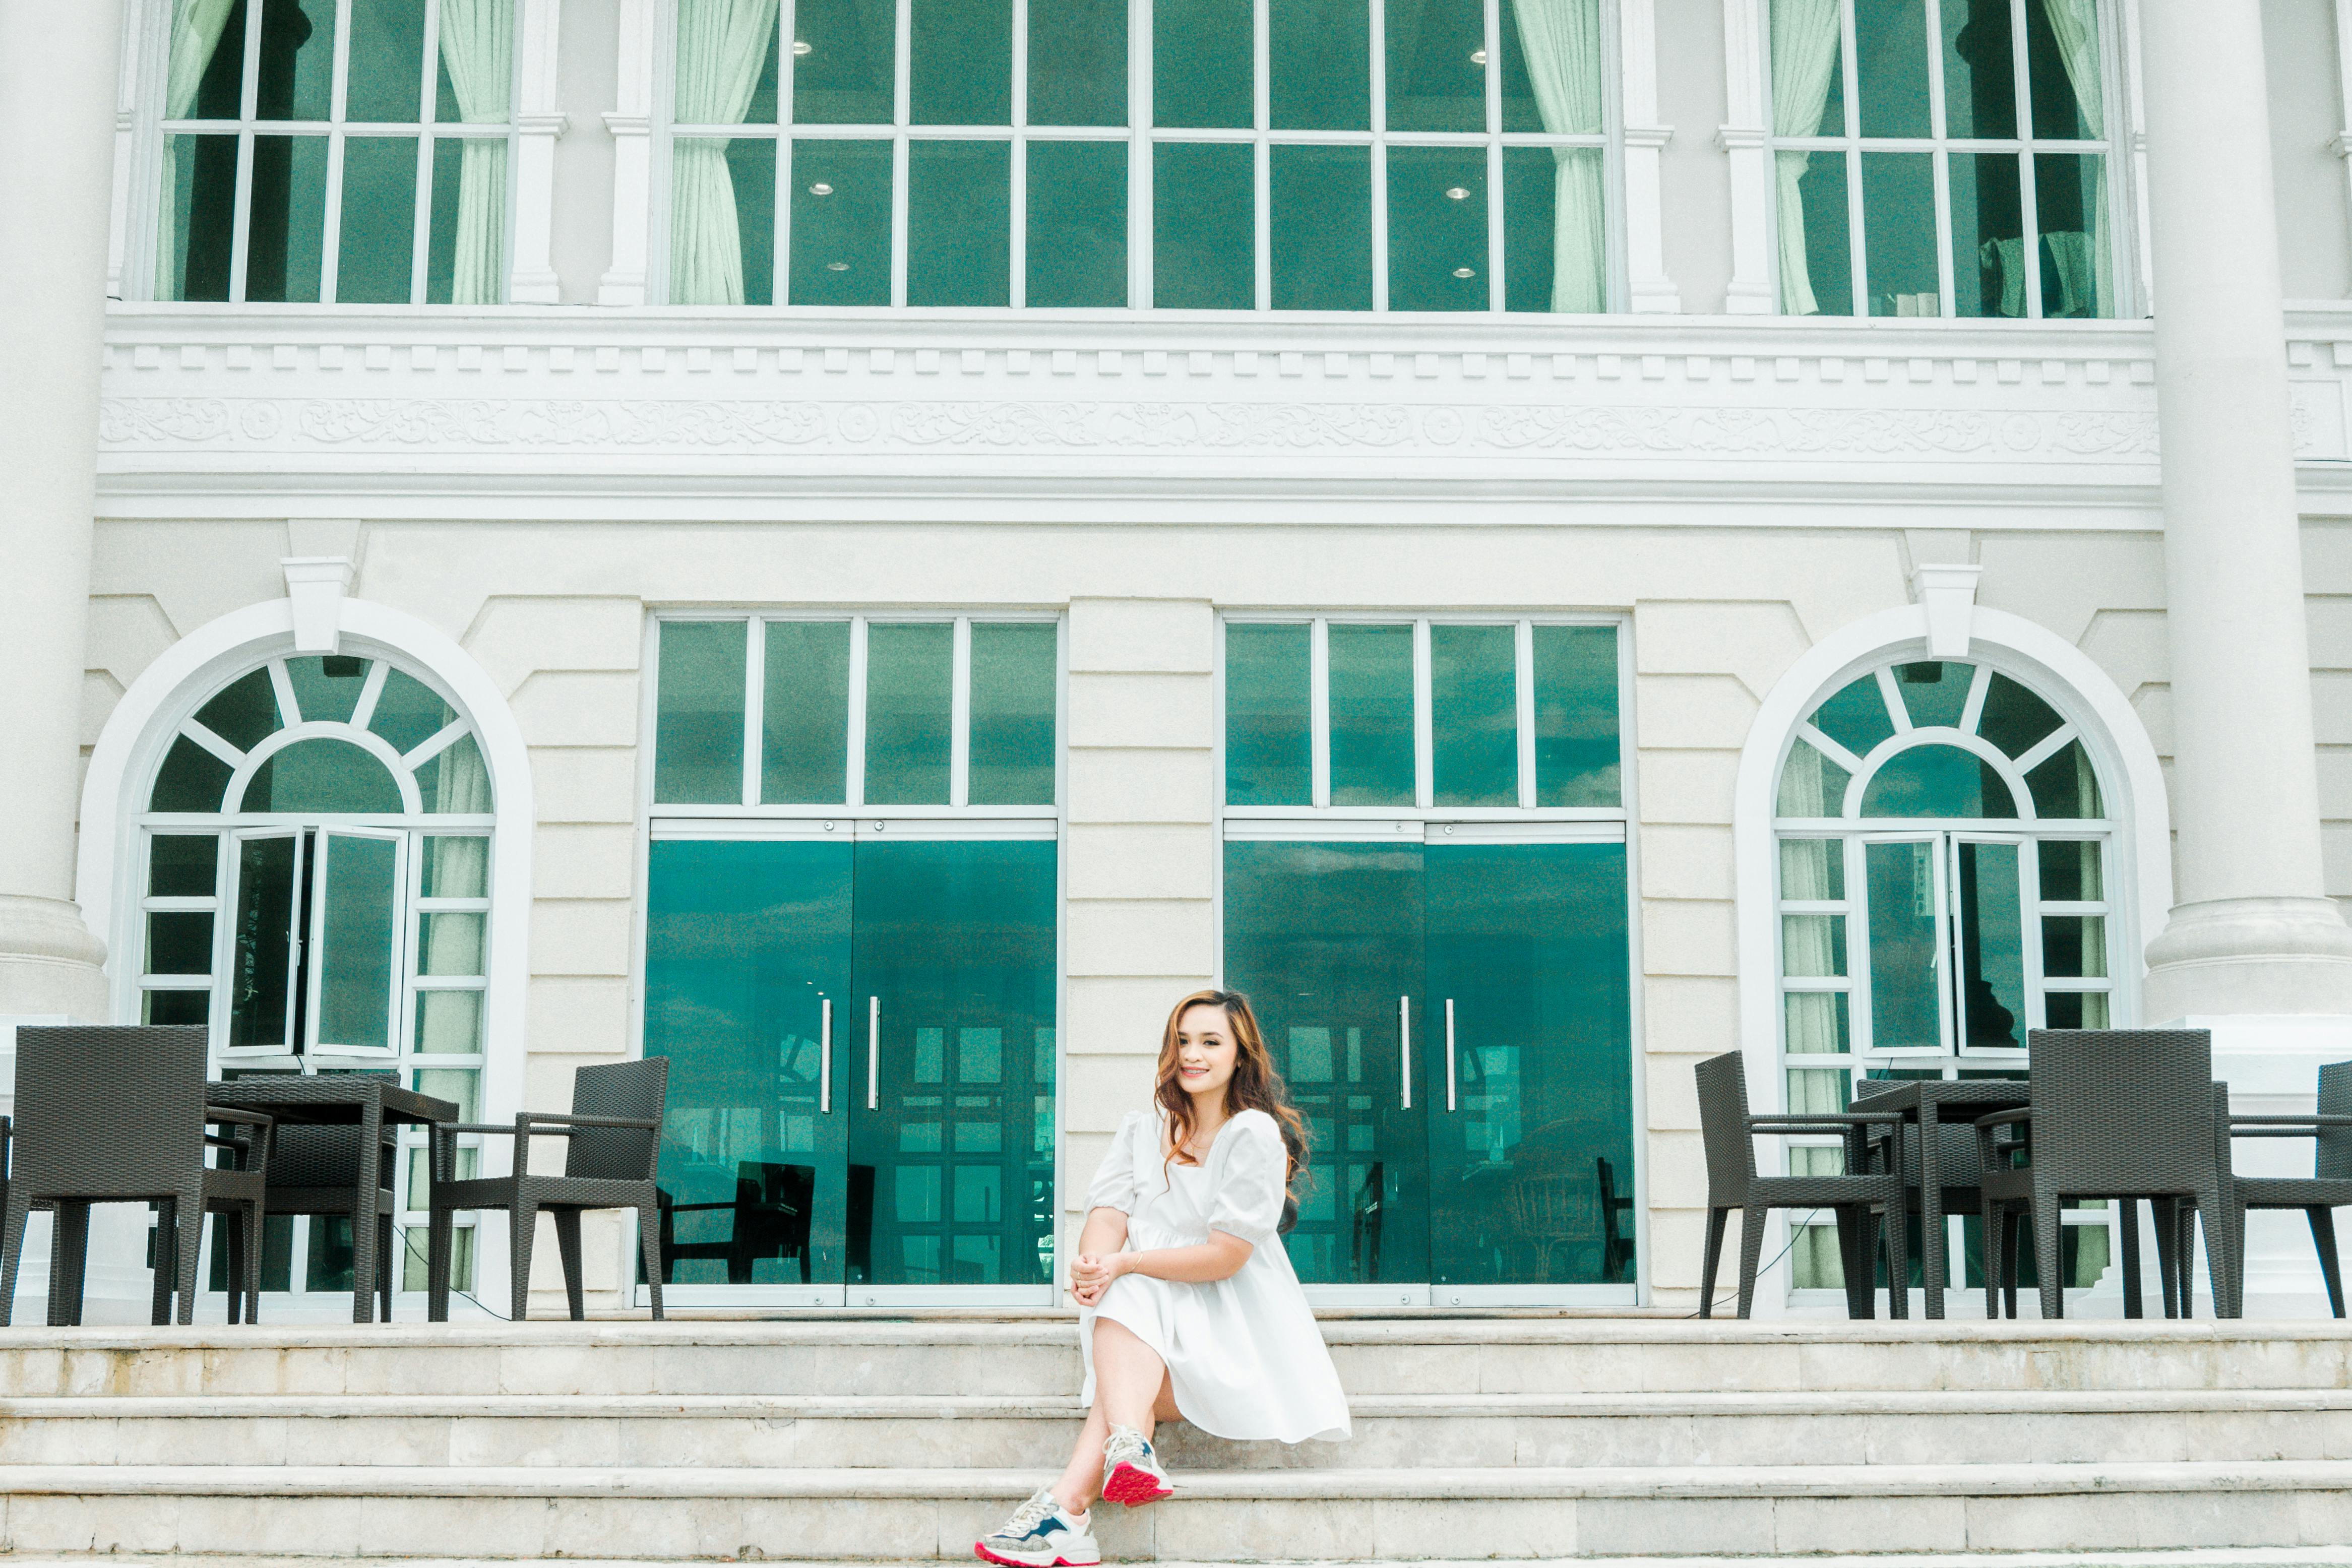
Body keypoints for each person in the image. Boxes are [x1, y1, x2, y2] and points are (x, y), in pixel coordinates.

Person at [974, 989, 1351, 1567]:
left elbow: (1224, 1258)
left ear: (1240, 1056)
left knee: (1128, 1315)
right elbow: (1108, 1213)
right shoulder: (1143, 1129)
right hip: (1148, 1318)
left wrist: (1123, 1265)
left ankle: (1083, 1490)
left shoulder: (1253, 1133)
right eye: (1182, 1041)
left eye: (1210, 1042)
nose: (1192, 1054)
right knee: (1128, 1302)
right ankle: (1111, 1466)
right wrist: (1095, 1263)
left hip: (1234, 1322)